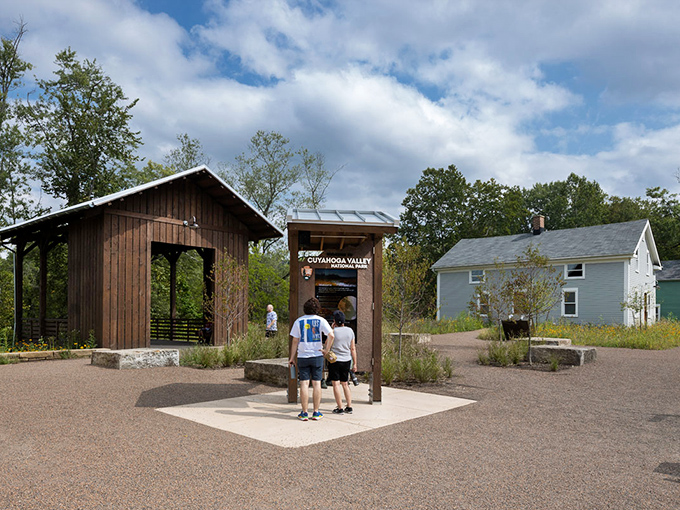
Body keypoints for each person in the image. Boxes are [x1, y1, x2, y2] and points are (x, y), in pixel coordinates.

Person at [288, 297, 335, 421]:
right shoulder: (321, 320)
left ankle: (304, 413)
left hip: (303, 356)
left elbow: (295, 341)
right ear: (317, 309)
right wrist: (326, 349)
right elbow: (331, 335)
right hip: (317, 356)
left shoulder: (298, 321)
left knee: (304, 383)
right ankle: (316, 412)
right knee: (317, 383)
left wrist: (292, 357)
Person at [328, 310, 357, 414]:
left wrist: (332, 329)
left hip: (335, 360)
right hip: (346, 360)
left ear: (334, 321)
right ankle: (349, 406)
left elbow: (328, 345)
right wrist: (355, 363)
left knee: (336, 384)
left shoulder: (333, 332)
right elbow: (352, 348)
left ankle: (340, 408)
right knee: (345, 383)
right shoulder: (350, 331)